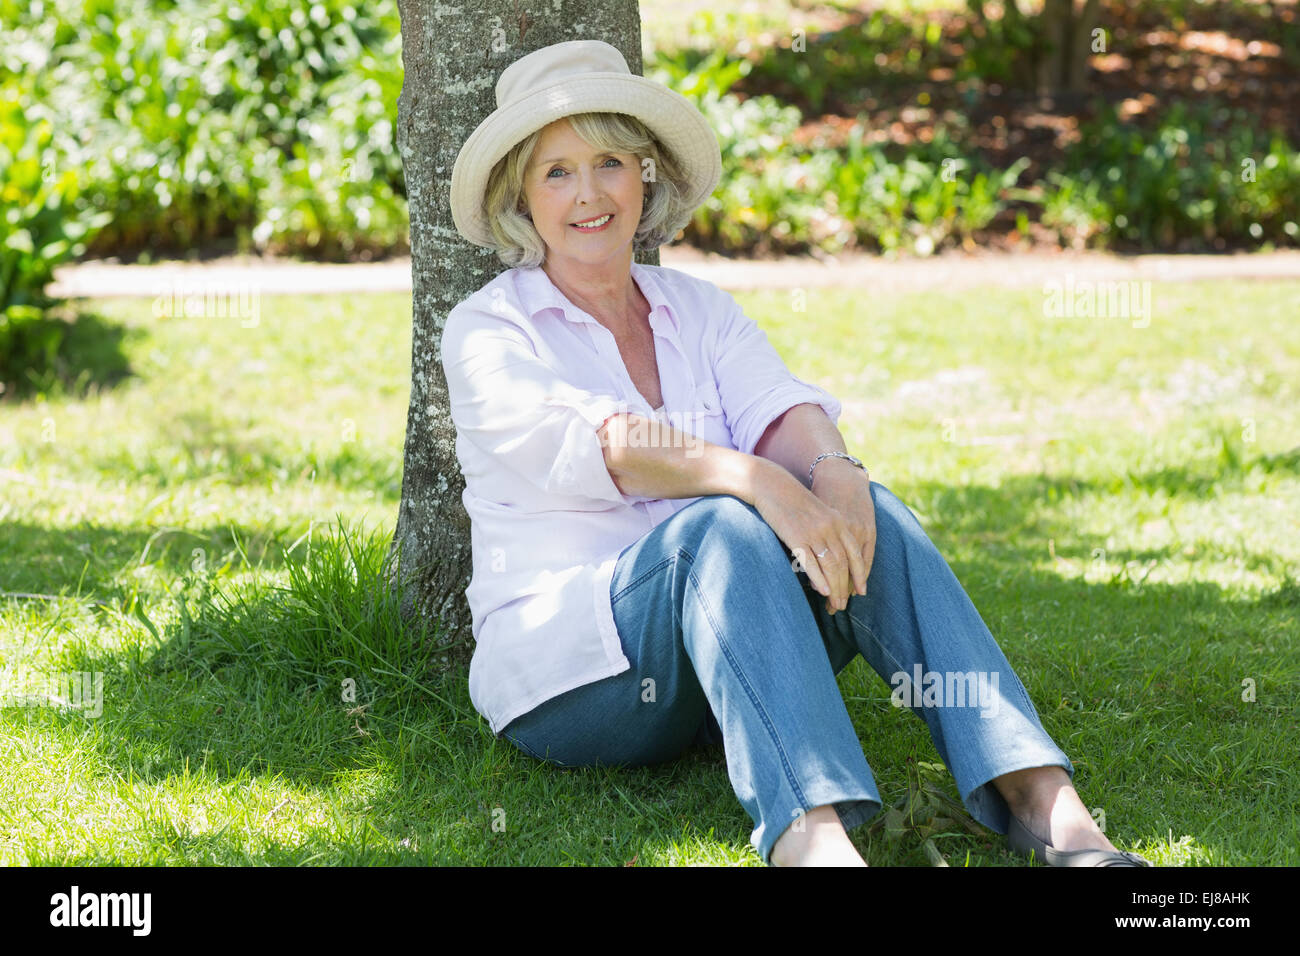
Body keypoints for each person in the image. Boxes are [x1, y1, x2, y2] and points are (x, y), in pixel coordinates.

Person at [443, 39, 1151, 867]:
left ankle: (1044, 802)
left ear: (646, 175)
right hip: (573, 679)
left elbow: (780, 409)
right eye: (557, 171)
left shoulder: (696, 307)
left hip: (720, 658)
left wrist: (836, 477)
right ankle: (811, 840)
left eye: (609, 161)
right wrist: (757, 480)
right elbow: (614, 448)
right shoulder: (490, 329)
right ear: (523, 198)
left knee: (868, 510)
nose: (589, 193)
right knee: (724, 523)